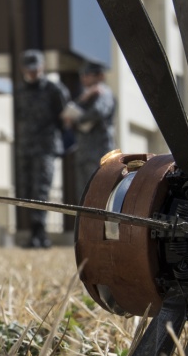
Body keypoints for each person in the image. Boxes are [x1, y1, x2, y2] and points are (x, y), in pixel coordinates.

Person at [14, 49, 70, 249]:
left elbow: (65, 120)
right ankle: (33, 235)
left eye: (36, 68)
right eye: (28, 69)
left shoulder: (55, 90)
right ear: (22, 69)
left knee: (42, 190)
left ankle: (41, 235)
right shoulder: (19, 91)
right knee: (28, 191)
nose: (32, 72)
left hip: (45, 148)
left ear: (42, 67)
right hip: (25, 149)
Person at [63, 62, 116, 197]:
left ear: (100, 76)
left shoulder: (104, 92)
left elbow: (98, 111)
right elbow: (67, 113)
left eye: (88, 75)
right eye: (83, 75)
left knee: (98, 194)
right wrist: (83, 98)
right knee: (84, 195)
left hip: (98, 153)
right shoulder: (87, 95)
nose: (84, 78)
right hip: (84, 153)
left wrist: (78, 119)